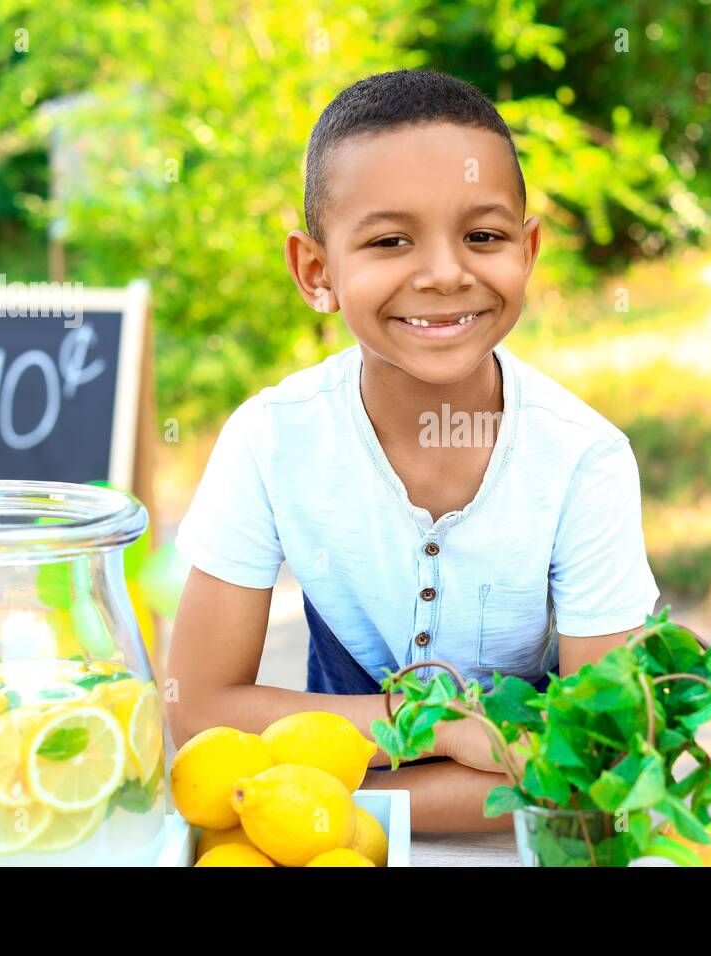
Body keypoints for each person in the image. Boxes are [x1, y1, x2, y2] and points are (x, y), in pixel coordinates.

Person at [166, 68, 659, 831]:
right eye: (391, 240)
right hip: (342, 841)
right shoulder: (272, 441)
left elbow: (601, 760)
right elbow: (199, 712)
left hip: (466, 841)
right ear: (316, 271)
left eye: (483, 236)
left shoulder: (583, 460)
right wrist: (434, 724)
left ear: (527, 251)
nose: (443, 273)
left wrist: (324, 801)